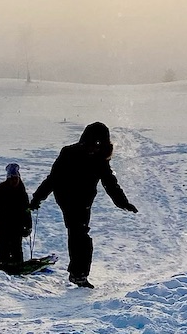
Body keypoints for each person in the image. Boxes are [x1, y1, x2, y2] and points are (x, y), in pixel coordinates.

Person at [29, 122, 138, 288]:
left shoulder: (100, 159)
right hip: (67, 198)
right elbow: (53, 179)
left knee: (78, 234)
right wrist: (37, 199)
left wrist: (122, 202)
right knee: (80, 235)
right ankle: (78, 274)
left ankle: (77, 273)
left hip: (85, 201)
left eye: (99, 144)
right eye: (94, 143)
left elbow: (110, 183)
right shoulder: (68, 153)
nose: (95, 147)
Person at [0, 163, 33, 265]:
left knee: (17, 250)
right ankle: (4, 269)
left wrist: (28, 226)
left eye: (16, 178)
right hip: (2, 227)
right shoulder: (0, 190)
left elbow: (26, 211)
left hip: (17, 227)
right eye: (12, 178)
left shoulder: (22, 192)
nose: (14, 181)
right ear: (8, 178)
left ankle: (18, 270)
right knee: (3, 250)